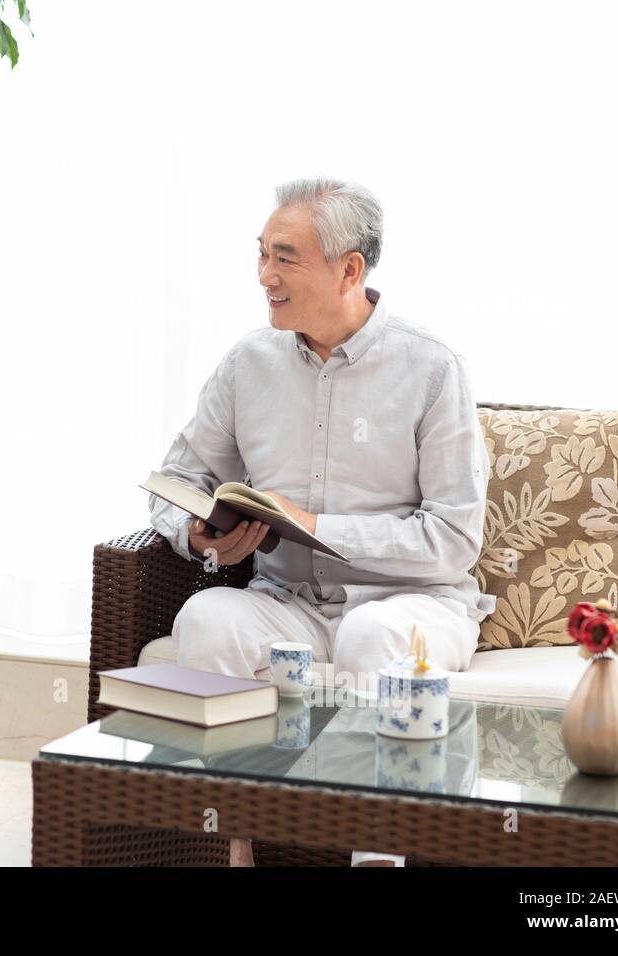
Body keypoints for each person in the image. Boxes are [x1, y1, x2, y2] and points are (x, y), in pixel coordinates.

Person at [150, 177, 495, 865]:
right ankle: (237, 849)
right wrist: (193, 530)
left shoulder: (431, 370)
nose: (264, 276)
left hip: (411, 605)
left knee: (371, 634)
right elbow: (177, 478)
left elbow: (454, 539)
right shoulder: (247, 364)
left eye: (284, 258)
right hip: (287, 605)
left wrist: (320, 525)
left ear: (349, 269)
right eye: (262, 254)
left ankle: (373, 859)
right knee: (206, 622)